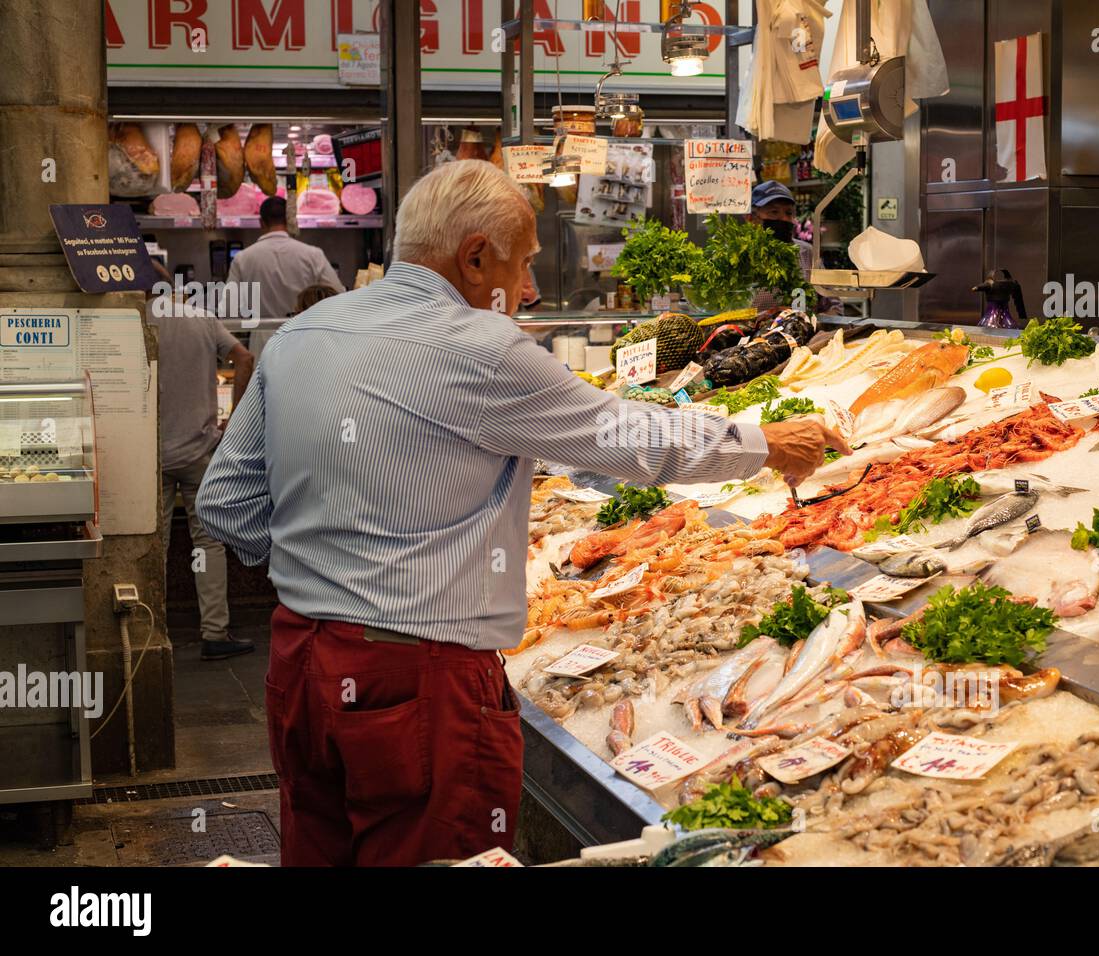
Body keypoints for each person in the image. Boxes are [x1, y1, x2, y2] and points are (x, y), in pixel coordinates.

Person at [195, 159, 847, 867]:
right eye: (525, 263)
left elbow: (225, 501)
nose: (530, 288)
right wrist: (766, 443)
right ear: (475, 256)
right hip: (422, 684)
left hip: (299, 663)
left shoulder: (302, 335)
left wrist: (323, 572)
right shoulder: (481, 348)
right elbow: (632, 437)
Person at [150, 260, 257, 661]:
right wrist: (236, 419)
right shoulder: (200, 317)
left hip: (151, 454)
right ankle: (214, 633)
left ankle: (151, 632)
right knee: (207, 543)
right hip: (200, 451)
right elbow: (244, 358)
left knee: (153, 545)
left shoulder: (130, 318)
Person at [226, 197, 344, 321]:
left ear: (261, 222)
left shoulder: (242, 258)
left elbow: (229, 308)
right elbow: (338, 296)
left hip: (261, 337)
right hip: (302, 333)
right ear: (289, 220)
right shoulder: (313, 254)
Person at [748, 180, 842, 315]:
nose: (784, 219)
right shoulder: (741, 257)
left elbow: (833, 304)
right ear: (751, 218)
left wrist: (820, 323)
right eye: (774, 212)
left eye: (789, 213)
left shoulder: (807, 253)